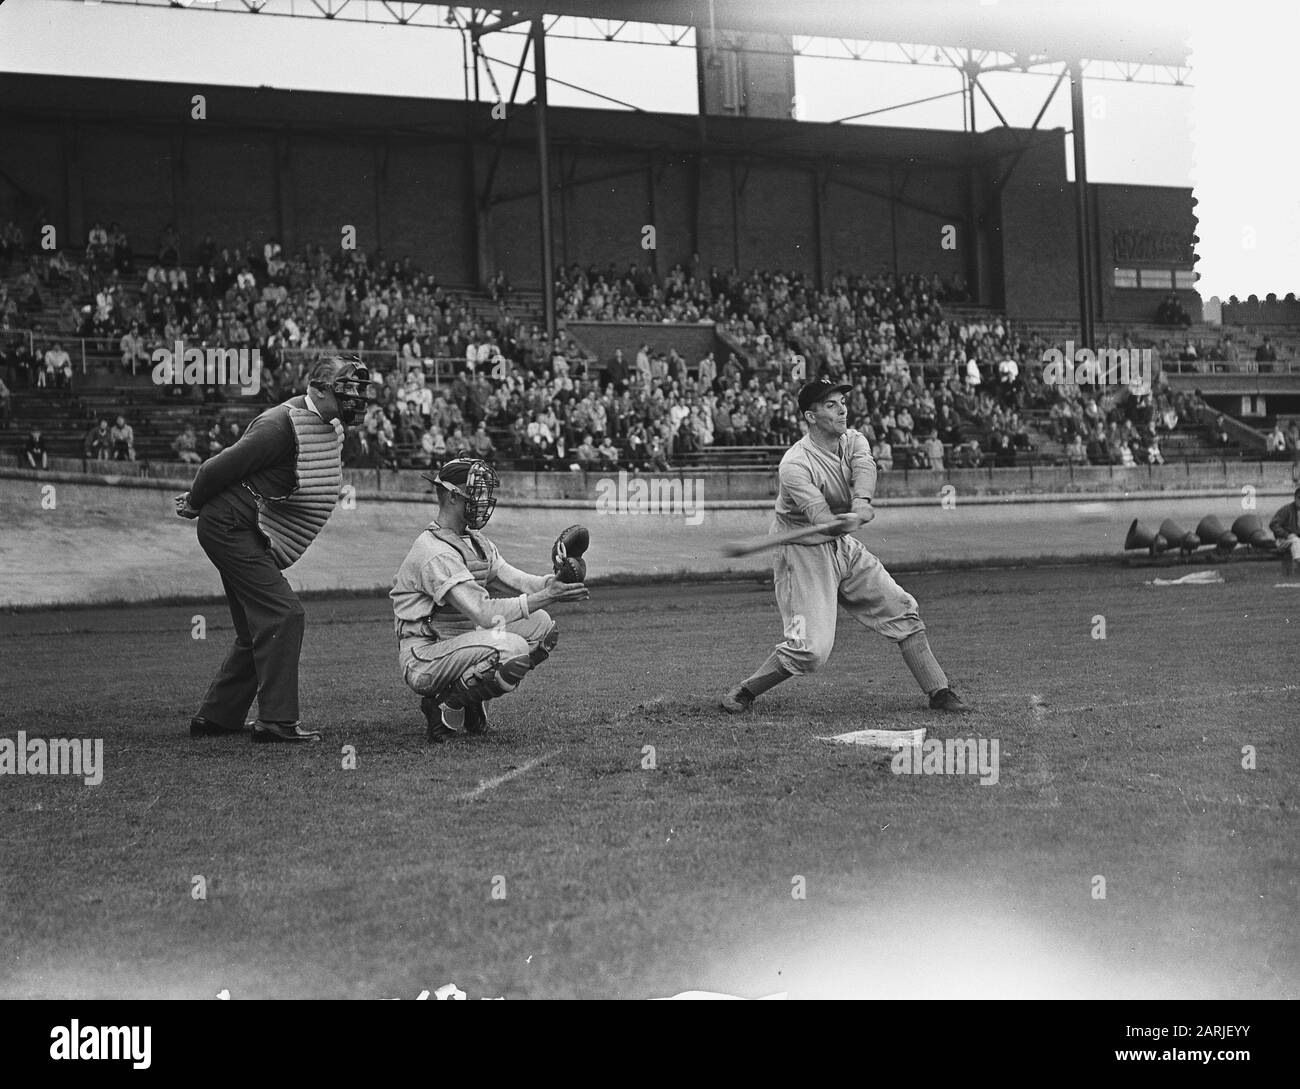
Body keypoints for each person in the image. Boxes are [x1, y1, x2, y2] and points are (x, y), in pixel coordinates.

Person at [720, 379, 970, 716]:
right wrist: (845, 519)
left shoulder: (853, 439)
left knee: (903, 609)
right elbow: (821, 517)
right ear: (810, 416)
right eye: (831, 405)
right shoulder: (794, 465)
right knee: (811, 651)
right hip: (802, 552)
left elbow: (865, 469)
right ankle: (746, 690)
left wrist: (862, 502)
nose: (842, 409)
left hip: (841, 545)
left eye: (842, 402)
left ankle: (939, 691)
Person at [174, 356, 376, 743]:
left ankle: (217, 717)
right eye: (346, 390)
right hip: (230, 526)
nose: (356, 399)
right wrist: (196, 503)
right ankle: (277, 721)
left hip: (248, 528)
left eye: (358, 391)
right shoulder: (278, 424)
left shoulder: (326, 425)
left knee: (257, 627)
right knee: (284, 616)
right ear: (317, 389)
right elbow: (214, 469)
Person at [390, 458, 589, 741]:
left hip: (459, 642)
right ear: (450, 495)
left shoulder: (476, 541)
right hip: (426, 655)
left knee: (542, 627)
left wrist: (555, 581)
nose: (482, 499)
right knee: (514, 649)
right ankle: (445, 705)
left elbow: (518, 581)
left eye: (484, 492)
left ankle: (469, 700)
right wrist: (548, 595)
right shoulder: (434, 551)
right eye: (475, 491)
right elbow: (484, 613)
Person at [1269, 486, 1300, 578]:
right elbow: (1273, 524)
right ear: (1295, 498)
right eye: (1299, 498)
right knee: (1296, 541)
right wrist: (1287, 534)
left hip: (1296, 541)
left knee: (1297, 541)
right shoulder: (1286, 510)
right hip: (1283, 540)